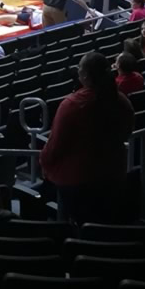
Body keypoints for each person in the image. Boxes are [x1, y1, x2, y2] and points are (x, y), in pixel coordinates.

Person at [39, 50, 135, 225]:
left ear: (84, 75)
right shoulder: (121, 100)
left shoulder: (72, 105)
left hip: (79, 180)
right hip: (113, 172)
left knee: (83, 224)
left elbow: (54, 147)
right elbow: (127, 130)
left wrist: (44, 163)